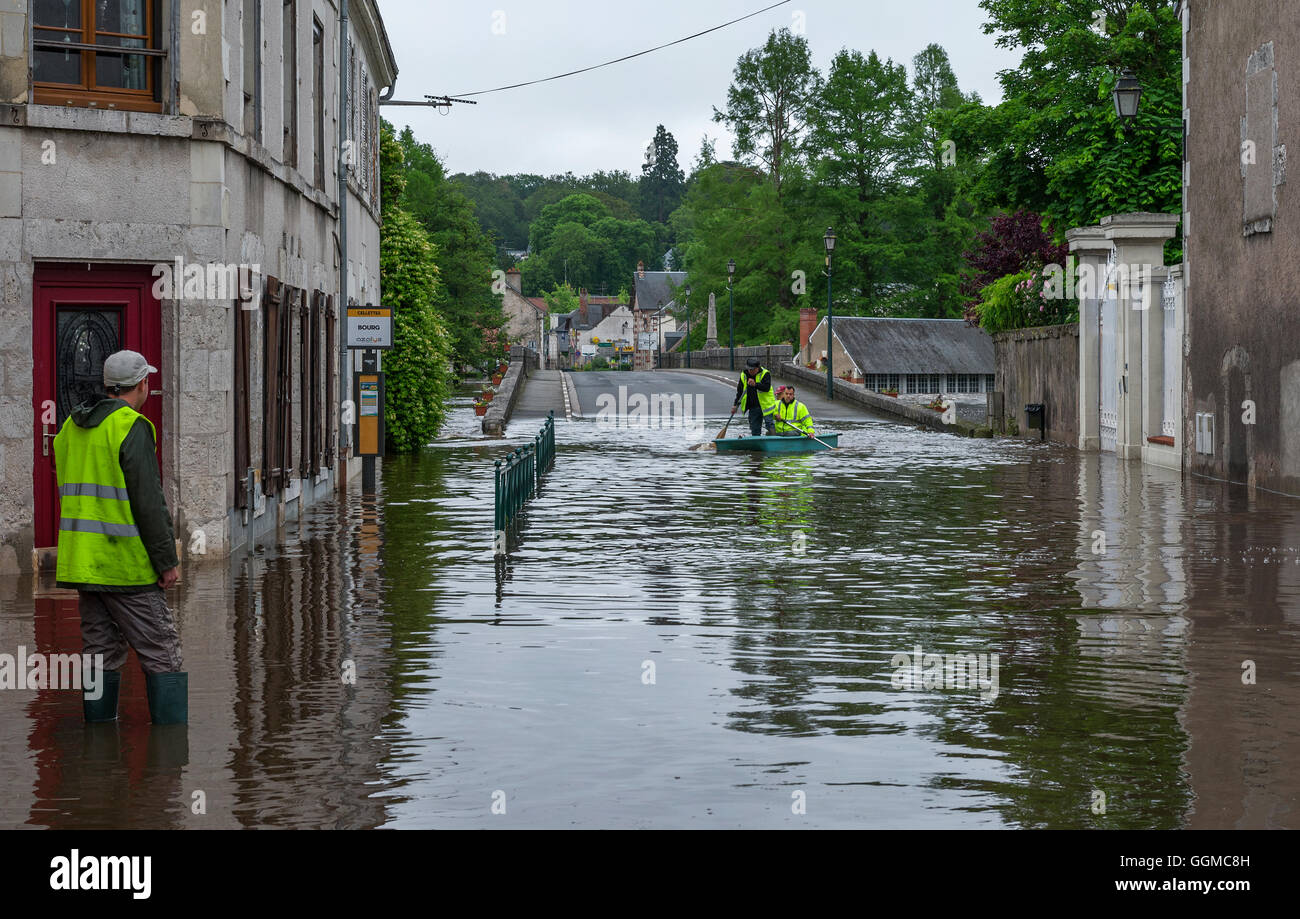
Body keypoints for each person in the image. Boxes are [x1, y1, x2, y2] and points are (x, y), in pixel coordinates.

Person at [54, 350, 186, 725]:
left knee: (99, 652)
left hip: (84, 562)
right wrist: (166, 562)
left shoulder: (70, 427)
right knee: (163, 651)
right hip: (125, 564)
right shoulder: (133, 426)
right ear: (142, 384)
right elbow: (149, 502)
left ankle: (97, 744)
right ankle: (171, 753)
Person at [734, 357, 776, 435]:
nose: (750, 371)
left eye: (753, 369)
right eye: (749, 369)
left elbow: (766, 388)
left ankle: (772, 439)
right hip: (753, 407)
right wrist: (735, 405)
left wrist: (755, 384)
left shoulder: (765, 373)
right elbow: (740, 391)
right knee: (755, 428)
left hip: (766, 406)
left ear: (758, 368)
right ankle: (756, 443)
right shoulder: (744, 375)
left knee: (769, 425)